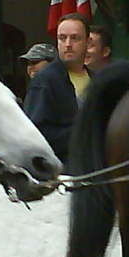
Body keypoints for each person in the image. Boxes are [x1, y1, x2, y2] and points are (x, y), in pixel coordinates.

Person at [23, 13, 90, 162]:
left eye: (75, 38)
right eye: (62, 38)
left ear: (88, 42)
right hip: (63, 174)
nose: (68, 44)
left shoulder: (96, 79)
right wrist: (85, 132)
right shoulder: (45, 81)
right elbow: (35, 134)